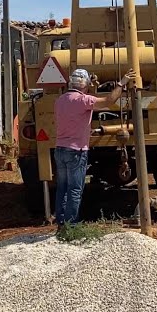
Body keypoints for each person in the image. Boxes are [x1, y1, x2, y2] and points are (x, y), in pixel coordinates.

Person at [52, 68, 131, 226]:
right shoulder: (83, 100)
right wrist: (122, 83)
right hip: (76, 151)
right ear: (86, 85)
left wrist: (88, 130)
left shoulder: (60, 100)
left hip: (60, 149)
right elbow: (109, 101)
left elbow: (71, 121)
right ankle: (71, 225)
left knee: (62, 187)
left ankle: (61, 222)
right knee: (75, 188)